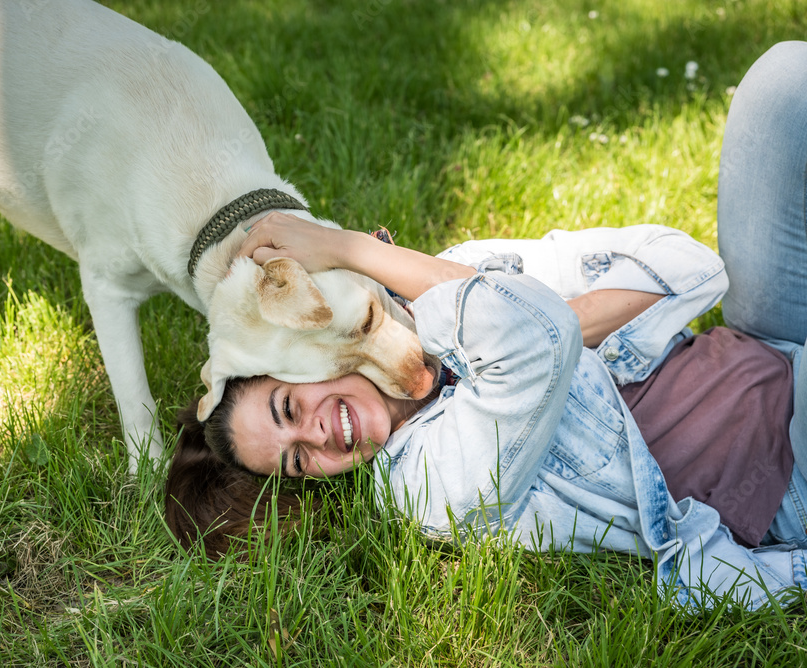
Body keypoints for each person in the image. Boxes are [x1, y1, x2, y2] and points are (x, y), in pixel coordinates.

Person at [164, 41, 807, 610]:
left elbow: (691, 266)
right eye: (299, 463)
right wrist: (356, 250)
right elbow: (537, 340)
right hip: (787, 463)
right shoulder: (427, 486)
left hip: (763, 338)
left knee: (783, 83)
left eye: (287, 409)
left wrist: (535, 321)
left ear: (298, 356)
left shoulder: (446, 277)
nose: (319, 438)